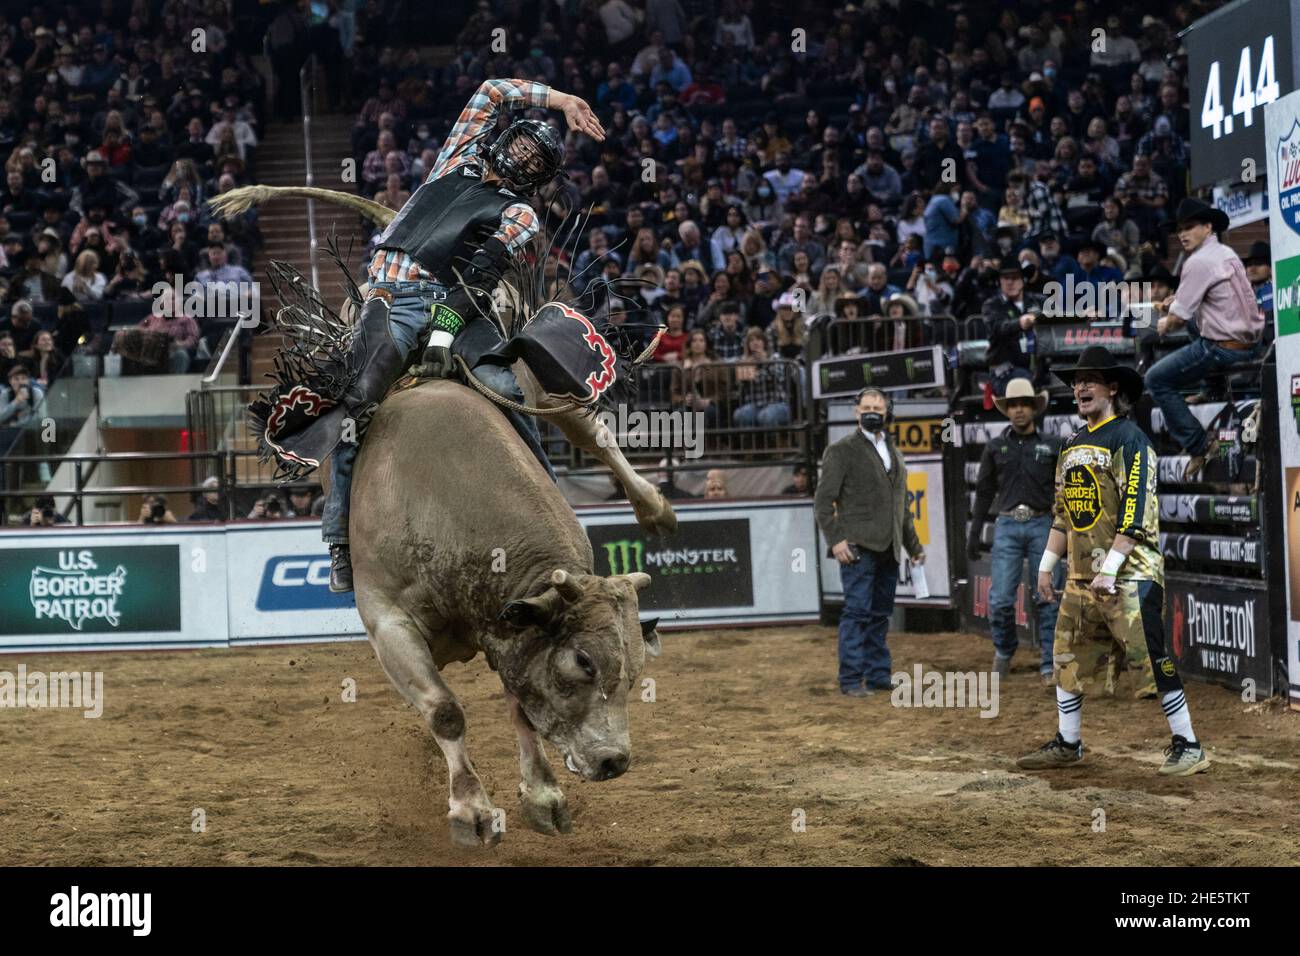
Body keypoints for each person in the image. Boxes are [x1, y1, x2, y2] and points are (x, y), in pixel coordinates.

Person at [321, 78, 603, 593]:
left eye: (536, 160)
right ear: (505, 138)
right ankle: (339, 538)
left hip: (458, 306)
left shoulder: (519, 214)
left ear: (540, 178)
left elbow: (477, 278)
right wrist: (561, 101)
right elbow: (492, 89)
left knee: (508, 390)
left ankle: (553, 514)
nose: (523, 157)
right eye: (521, 144)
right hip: (390, 298)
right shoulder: (456, 159)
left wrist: (443, 335)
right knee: (353, 403)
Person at [1018, 345, 1209, 776]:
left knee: (1151, 658)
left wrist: (1109, 570)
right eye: (1077, 381)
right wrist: (1048, 566)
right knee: (1067, 657)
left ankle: (1189, 743)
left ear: (1112, 388)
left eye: (1091, 380)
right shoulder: (1070, 445)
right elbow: (1064, 513)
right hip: (1083, 576)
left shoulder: (1130, 439)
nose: (1080, 387)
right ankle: (1069, 742)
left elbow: (1136, 511)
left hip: (1130, 573)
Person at [814, 387, 925, 696]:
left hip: (888, 547)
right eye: (867, 406)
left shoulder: (895, 452)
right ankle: (851, 679)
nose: (873, 411)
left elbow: (901, 507)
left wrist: (913, 547)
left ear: (887, 410)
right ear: (856, 412)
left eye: (878, 406)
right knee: (857, 613)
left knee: (879, 615)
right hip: (857, 547)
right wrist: (836, 540)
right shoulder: (842, 450)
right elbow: (823, 502)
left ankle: (877, 674)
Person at [1147, 199, 1265, 478]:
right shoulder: (1226, 253)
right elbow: (1209, 295)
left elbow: (1176, 320)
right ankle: (1212, 389)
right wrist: (1179, 302)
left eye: (1189, 228)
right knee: (1196, 324)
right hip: (1252, 341)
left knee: (1156, 379)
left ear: (1207, 227)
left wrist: (1162, 323)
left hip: (1224, 348)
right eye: (1180, 230)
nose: (1183, 235)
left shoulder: (1197, 262)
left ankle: (1198, 445)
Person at [967, 378, 1063, 684]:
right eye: (1014, 405)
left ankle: (1048, 663)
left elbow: (1064, 491)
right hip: (1008, 522)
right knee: (1000, 600)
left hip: (1041, 523)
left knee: (1047, 597)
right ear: (1007, 410)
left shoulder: (1053, 446)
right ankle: (1005, 649)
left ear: (1033, 408)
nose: (1019, 410)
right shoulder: (995, 447)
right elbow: (983, 492)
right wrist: (975, 532)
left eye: (1024, 404)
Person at [982, 262, 1047, 395]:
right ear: (999, 281)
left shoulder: (1039, 301)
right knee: (1026, 382)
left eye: (1015, 278)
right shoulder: (992, 305)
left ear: (1023, 280)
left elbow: (1060, 315)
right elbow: (997, 327)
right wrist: (1019, 323)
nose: (1010, 282)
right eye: (1006, 278)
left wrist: (1083, 315)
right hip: (1006, 369)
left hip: (1041, 367)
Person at [1243, 240, 1273, 323]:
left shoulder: (1278, 288)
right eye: (1249, 264)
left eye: (1258, 263)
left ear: (1271, 267)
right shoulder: (1240, 294)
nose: (1252, 268)